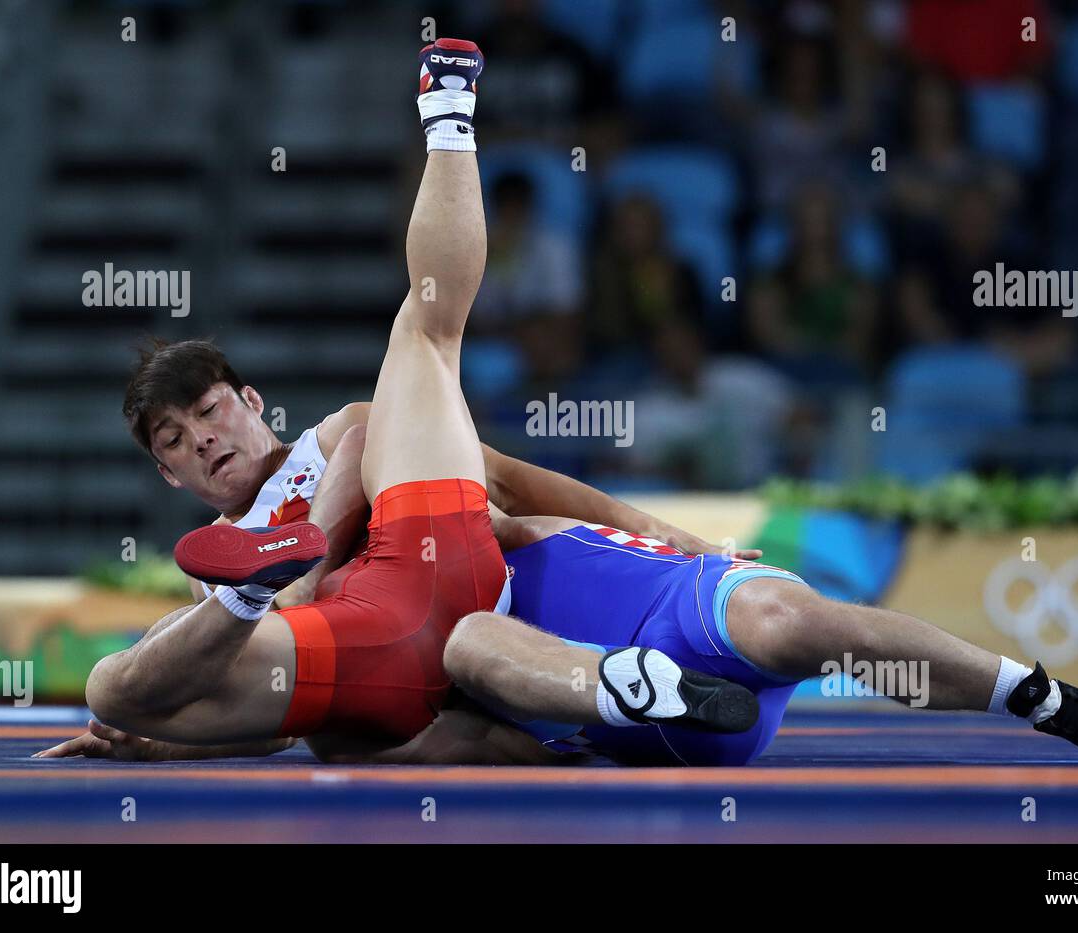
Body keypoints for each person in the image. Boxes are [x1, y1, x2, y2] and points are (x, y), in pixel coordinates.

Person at [41, 39, 758, 766]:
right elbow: (284, 710)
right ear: (167, 473)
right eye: (172, 438)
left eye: (209, 408)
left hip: (490, 595)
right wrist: (157, 746)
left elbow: (512, 483)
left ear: (253, 400)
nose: (200, 436)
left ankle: (448, 118)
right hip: (408, 679)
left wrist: (667, 534)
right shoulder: (210, 570)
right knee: (350, 740)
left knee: (429, 339)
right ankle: (601, 710)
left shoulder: (345, 435)